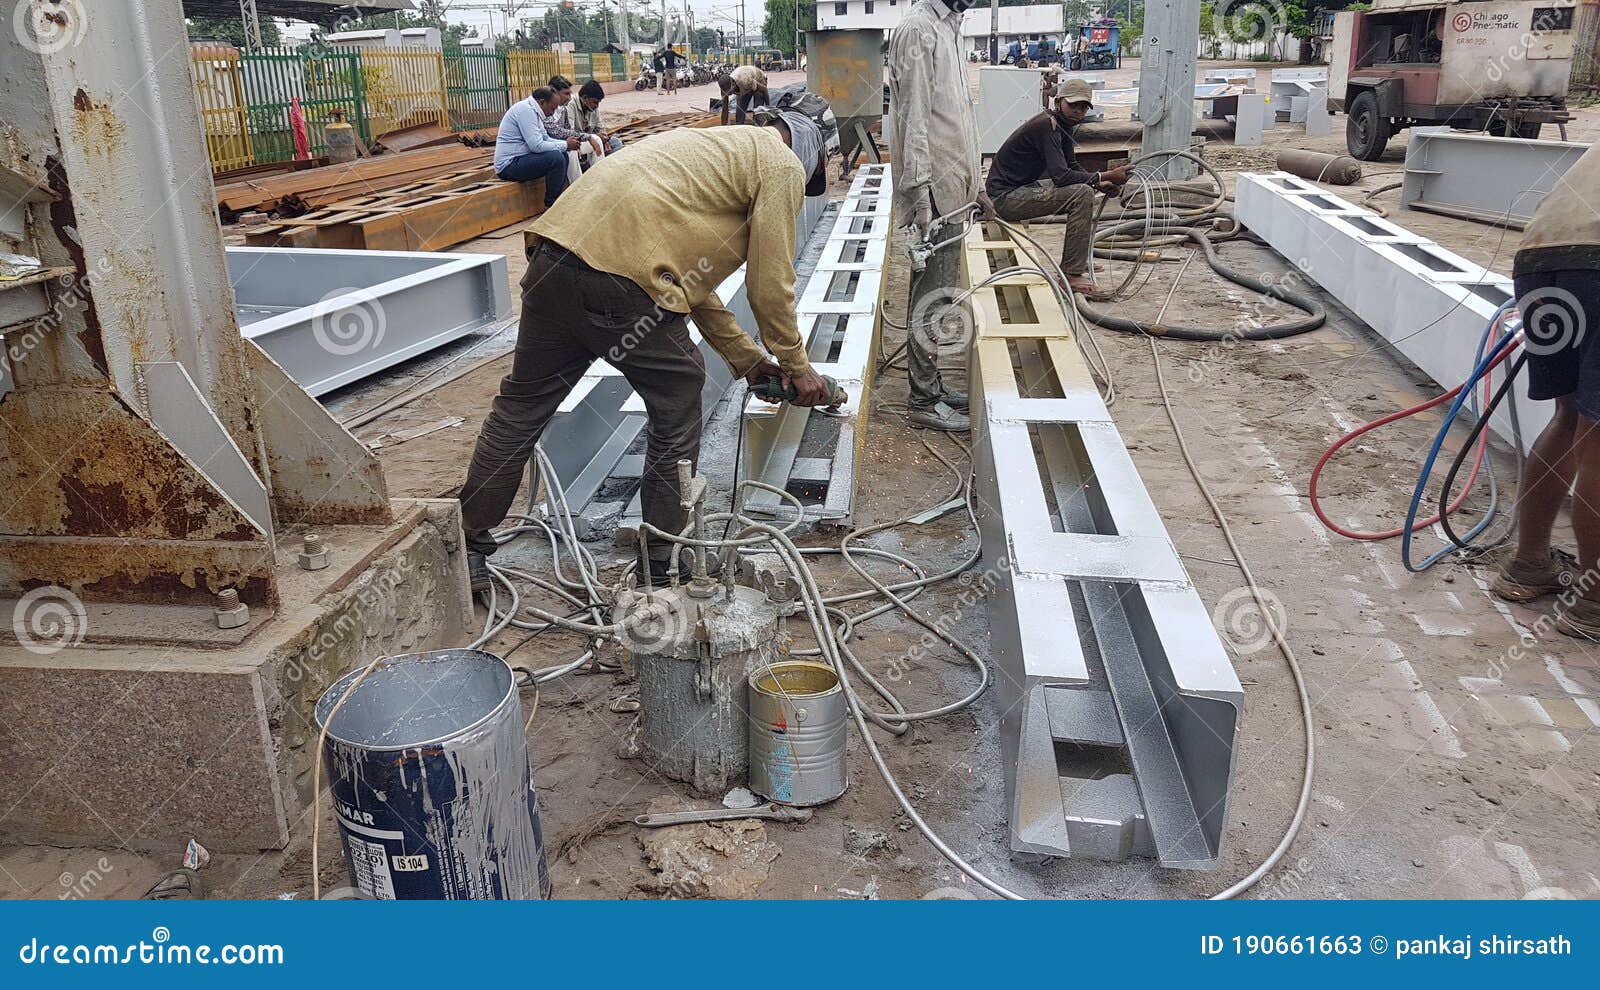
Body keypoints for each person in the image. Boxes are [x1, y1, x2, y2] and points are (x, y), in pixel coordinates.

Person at [458, 115, 834, 590]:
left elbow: (693, 286)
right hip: (618, 281)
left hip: (553, 259)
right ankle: (661, 560)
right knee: (677, 393)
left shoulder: (708, 151)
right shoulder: (780, 164)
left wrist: (749, 361)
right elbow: (770, 284)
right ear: (809, 150)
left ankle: (466, 544)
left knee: (521, 406)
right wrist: (797, 367)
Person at [1491, 141, 1600, 639]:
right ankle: (1594, 601)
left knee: (1570, 416)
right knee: (1596, 434)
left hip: (1541, 258)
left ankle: (1529, 564)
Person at [888, 0, 988, 432]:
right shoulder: (917, 29)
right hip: (936, 191)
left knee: (941, 293)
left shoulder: (949, 26)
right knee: (931, 297)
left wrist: (976, 182)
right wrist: (922, 194)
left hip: (955, 186)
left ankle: (932, 386)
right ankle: (924, 400)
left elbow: (958, 114)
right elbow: (915, 119)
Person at [986, 78, 1129, 294]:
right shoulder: (1047, 125)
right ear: (1059, 101)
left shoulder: (1063, 126)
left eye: (1083, 107)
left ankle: (1077, 263)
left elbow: (1071, 165)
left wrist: (1099, 182)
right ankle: (1071, 275)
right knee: (1080, 194)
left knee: (1085, 189)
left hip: (1020, 189)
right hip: (1004, 199)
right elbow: (1061, 177)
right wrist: (1104, 175)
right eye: (1073, 105)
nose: (1078, 111)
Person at [493, 86, 579, 206]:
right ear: (542, 102)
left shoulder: (535, 111)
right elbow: (536, 146)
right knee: (556, 158)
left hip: (521, 159)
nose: (552, 113)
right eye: (552, 108)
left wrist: (565, 145)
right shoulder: (526, 110)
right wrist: (565, 144)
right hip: (508, 166)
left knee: (562, 155)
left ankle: (557, 200)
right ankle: (551, 205)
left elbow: (546, 138)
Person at [545, 75, 603, 160]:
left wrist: (590, 137)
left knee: (597, 140)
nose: (569, 98)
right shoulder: (545, 108)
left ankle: (598, 172)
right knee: (571, 149)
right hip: (547, 147)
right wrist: (587, 137)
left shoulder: (562, 108)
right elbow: (557, 132)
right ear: (554, 93)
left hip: (559, 143)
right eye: (566, 94)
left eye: (570, 94)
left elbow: (568, 130)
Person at [562, 80, 623, 156]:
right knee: (597, 141)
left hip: (592, 140)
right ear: (585, 98)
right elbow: (570, 133)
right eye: (595, 102)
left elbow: (600, 128)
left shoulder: (593, 108)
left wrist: (605, 139)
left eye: (598, 102)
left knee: (615, 142)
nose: (597, 106)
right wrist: (595, 137)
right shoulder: (570, 105)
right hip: (578, 142)